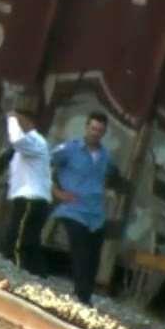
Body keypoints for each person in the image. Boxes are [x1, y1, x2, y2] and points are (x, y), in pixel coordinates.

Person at [49, 111, 126, 306]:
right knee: (81, 251)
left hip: (95, 213)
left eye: (99, 130)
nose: (95, 133)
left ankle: (85, 297)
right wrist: (57, 192)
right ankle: (81, 297)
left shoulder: (105, 156)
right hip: (73, 209)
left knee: (93, 257)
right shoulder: (69, 149)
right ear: (86, 127)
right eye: (92, 128)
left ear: (104, 133)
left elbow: (111, 176)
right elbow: (43, 164)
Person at [0, 94, 51, 277]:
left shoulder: (34, 142)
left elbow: (15, 142)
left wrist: (11, 118)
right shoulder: (30, 144)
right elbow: (9, 158)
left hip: (30, 201)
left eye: (21, 122)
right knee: (30, 241)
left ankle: (14, 274)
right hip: (32, 201)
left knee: (16, 239)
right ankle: (39, 276)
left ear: (29, 124)